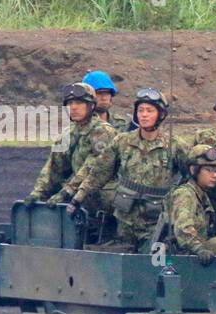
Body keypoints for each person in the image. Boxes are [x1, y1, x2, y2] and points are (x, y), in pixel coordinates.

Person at [69, 88, 191, 250]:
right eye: (140, 110)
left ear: (160, 115)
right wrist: (78, 198)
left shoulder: (175, 146)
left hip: (156, 221)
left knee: (152, 259)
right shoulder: (122, 141)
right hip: (125, 220)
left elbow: (191, 178)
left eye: (150, 111)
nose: (144, 115)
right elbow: (99, 173)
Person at [23, 82, 118, 207]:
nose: (73, 107)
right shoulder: (68, 133)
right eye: (70, 103)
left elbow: (93, 168)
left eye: (79, 103)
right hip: (75, 197)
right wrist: (38, 193)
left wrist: (66, 193)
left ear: (91, 106)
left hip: (100, 199)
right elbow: (53, 167)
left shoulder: (103, 131)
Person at [166, 145, 216, 264]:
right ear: (193, 170)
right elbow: (183, 228)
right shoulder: (185, 194)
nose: (215, 175)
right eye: (208, 170)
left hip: (194, 253)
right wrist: (199, 249)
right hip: (182, 255)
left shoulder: (202, 195)